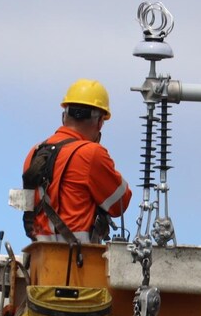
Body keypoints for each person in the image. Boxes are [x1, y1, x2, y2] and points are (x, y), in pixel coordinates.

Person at [23, 79, 132, 244]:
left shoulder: (34, 152)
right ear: (99, 122)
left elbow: (28, 207)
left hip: (39, 260)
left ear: (64, 115)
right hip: (78, 263)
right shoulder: (91, 154)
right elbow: (120, 203)